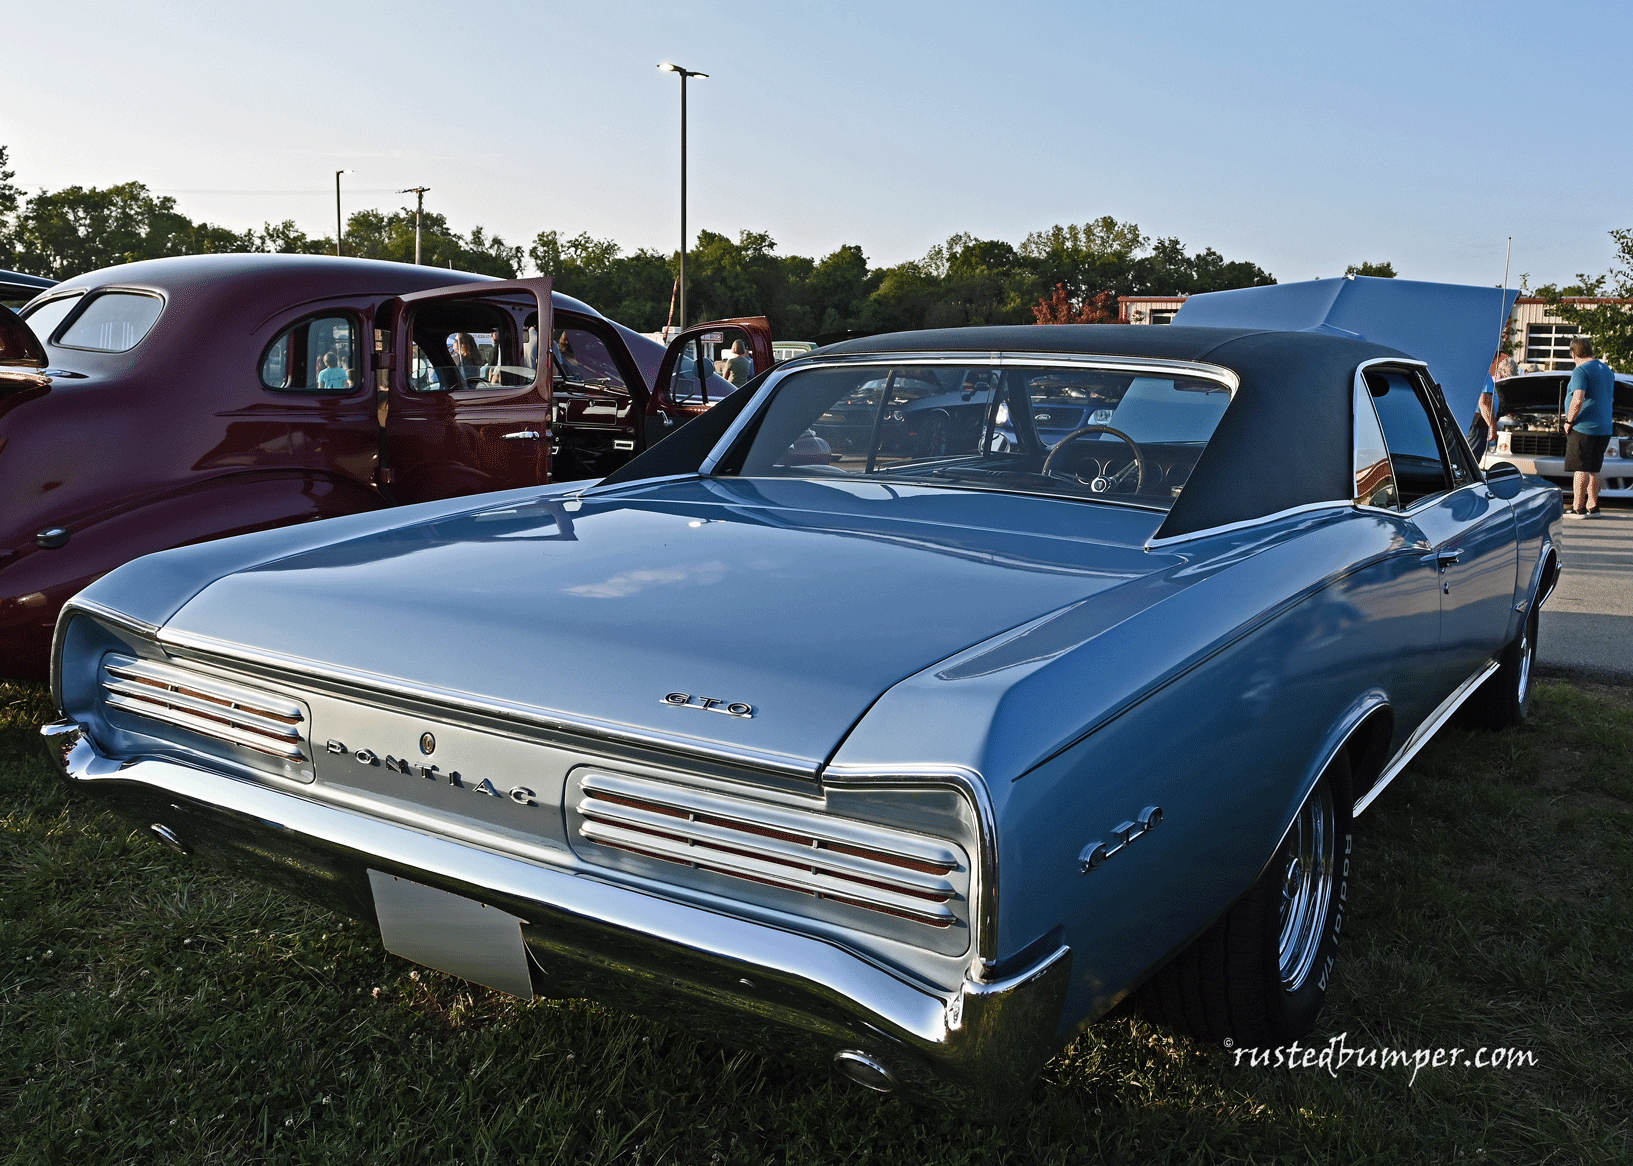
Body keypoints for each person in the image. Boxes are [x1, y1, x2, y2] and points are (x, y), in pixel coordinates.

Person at [1563, 336, 1614, 518]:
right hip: (1605, 426)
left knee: (1581, 468)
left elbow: (1578, 398)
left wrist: (1569, 421)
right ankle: (1593, 506)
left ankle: (1578, 507)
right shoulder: (1606, 369)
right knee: (1595, 468)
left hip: (1584, 426)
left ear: (1574, 353)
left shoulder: (1581, 370)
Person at [1478, 353, 1517, 448]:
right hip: (1481, 422)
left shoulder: (1493, 380)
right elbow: (1484, 402)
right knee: (1472, 456)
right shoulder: (1491, 380)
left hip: (1487, 422)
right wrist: (1493, 427)